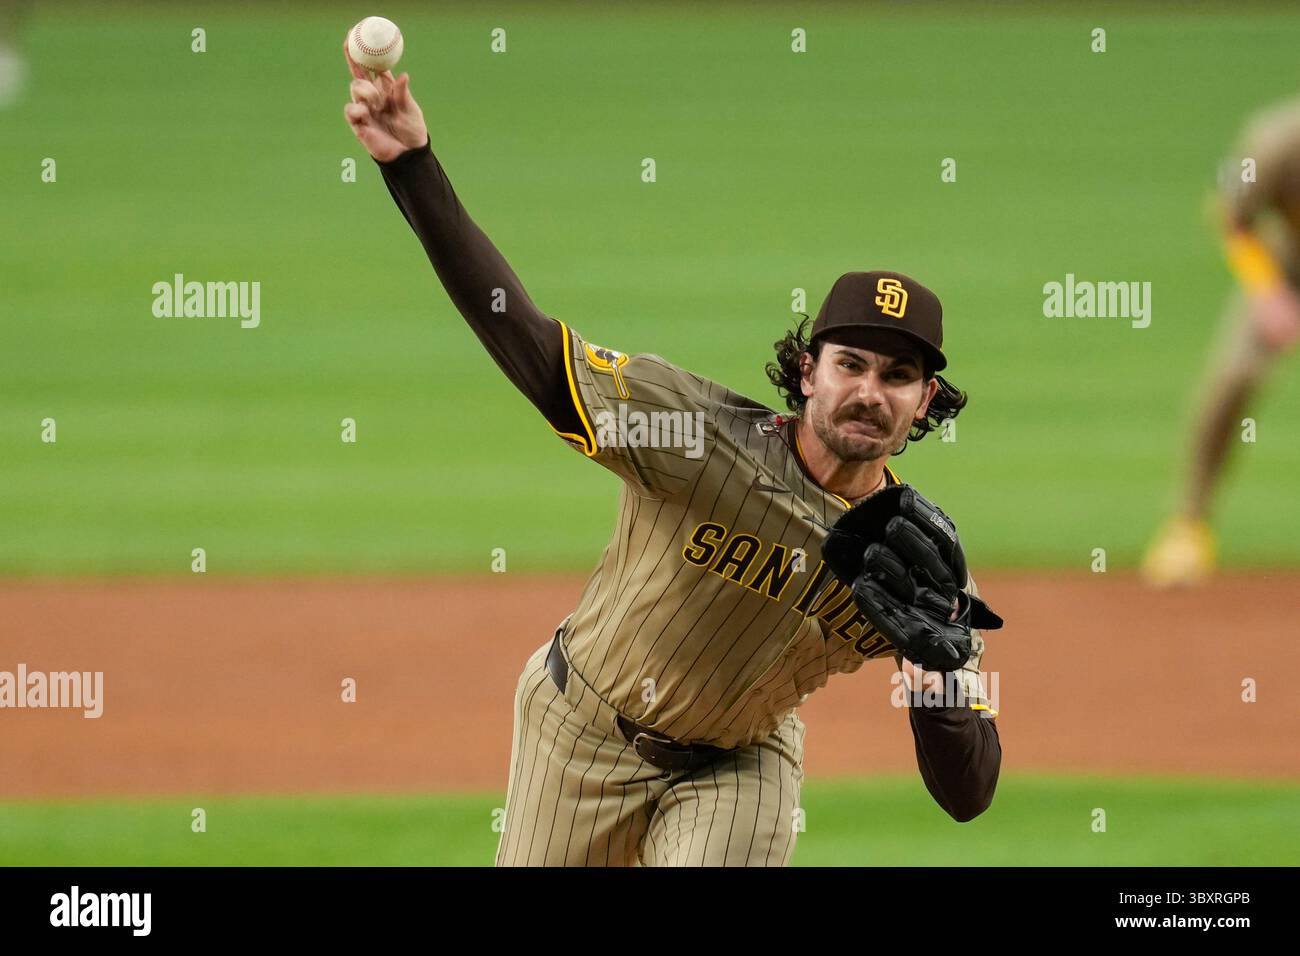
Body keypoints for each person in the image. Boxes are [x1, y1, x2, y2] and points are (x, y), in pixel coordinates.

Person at [342, 52, 1001, 866]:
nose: (871, 391)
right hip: (577, 731)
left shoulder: (919, 564)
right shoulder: (691, 434)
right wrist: (411, 167)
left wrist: (934, 678)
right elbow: (531, 347)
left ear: (926, 402)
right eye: (851, 365)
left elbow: (969, 794)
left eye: (899, 376)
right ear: (807, 371)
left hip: (741, 767)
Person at [1143, 97, 1300, 586]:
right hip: (1287, 271)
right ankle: (1188, 528)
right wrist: (1269, 291)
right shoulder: (1277, 141)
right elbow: (1232, 216)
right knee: (1235, 377)